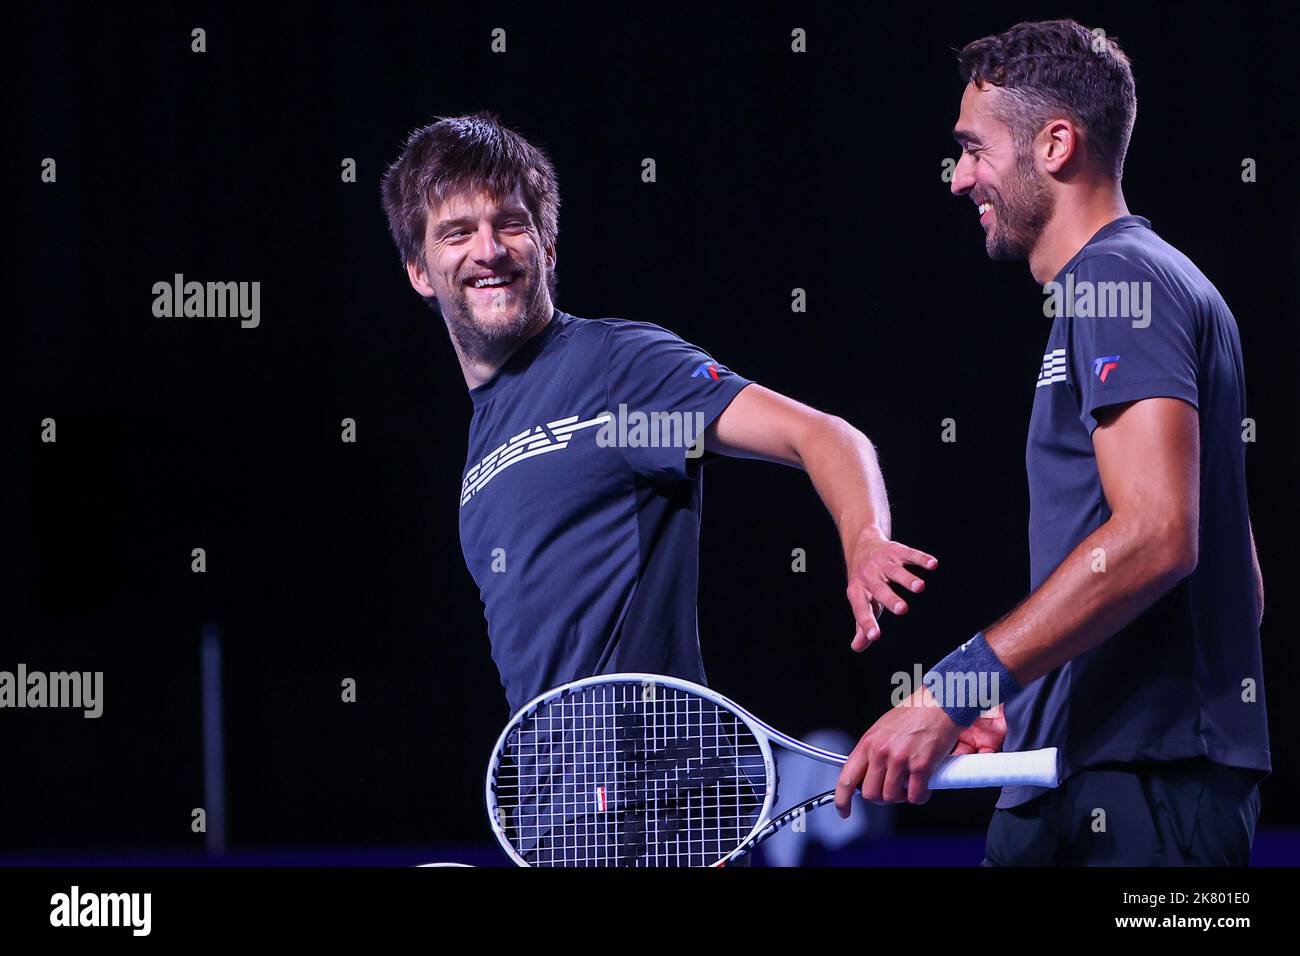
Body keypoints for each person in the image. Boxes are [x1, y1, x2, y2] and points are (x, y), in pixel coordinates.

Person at [833, 19, 1270, 866]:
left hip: (1141, 791)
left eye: (974, 149)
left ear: (1056, 144)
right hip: (1091, 771)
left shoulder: (1118, 279)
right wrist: (1038, 693)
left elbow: (1156, 537)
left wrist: (954, 693)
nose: (959, 179)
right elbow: (1235, 581)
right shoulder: (1139, 283)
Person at [379, 112, 937, 716]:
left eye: (510, 224)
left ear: (547, 245)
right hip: (555, 801)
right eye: (457, 233)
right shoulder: (479, 452)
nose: (488, 250)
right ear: (419, 271)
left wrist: (864, 539)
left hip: (656, 794)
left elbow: (822, 434)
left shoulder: (616, 364)